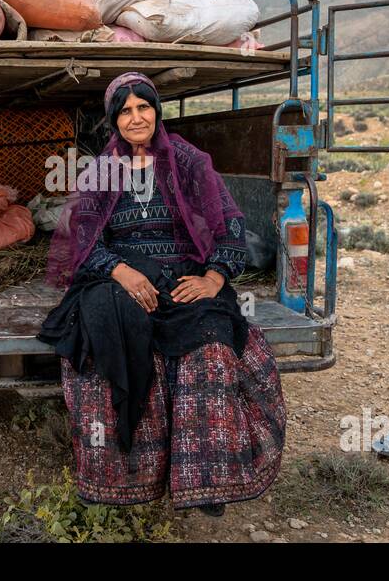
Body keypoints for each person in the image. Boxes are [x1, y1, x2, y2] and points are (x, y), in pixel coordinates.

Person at [37, 71, 286, 517]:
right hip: (118, 279)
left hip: (183, 277)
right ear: (114, 120)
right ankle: (124, 478)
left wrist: (214, 279)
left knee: (210, 339)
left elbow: (230, 226)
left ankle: (207, 480)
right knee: (107, 335)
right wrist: (120, 271)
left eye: (144, 107)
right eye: (126, 111)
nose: (136, 117)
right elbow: (85, 241)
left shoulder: (189, 162)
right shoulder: (101, 171)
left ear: (157, 111)